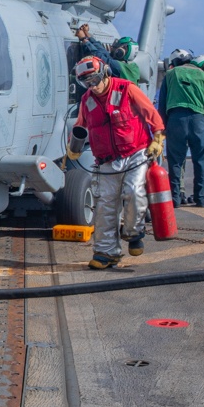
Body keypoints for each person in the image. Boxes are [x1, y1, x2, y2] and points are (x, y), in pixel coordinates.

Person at [69, 55, 165, 269]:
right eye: (86, 83)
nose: (92, 86)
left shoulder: (126, 89)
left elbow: (151, 113)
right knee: (104, 206)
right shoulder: (87, 100)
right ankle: (105, 253)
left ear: (104, 74)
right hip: (106, 161)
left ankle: (134, 233)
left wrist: (158, 138)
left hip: (136, 153)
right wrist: (72, 146)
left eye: (94, 80)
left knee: (133, 192)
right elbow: (80, 125)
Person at [157, 48, 204, 207]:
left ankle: (175, 199)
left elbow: (162, 103)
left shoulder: (170, 75)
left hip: (176, 121)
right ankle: (201, 198)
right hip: (199, 122)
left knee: (175, 161)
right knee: (201, 161)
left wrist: (163, 126)